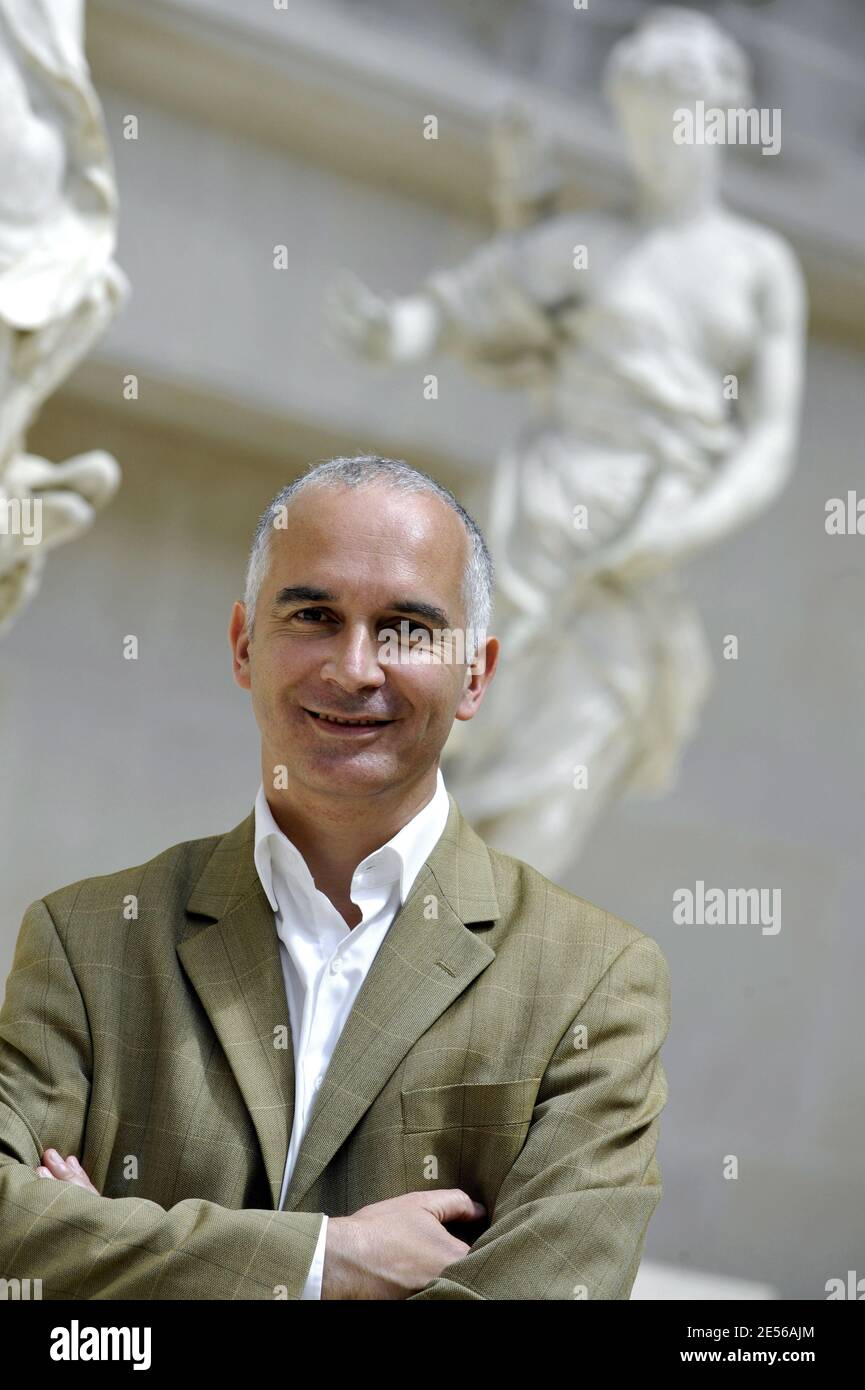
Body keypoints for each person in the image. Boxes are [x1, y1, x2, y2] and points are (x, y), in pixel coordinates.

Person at [0, 453, 670, 1299]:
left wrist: (113, 1249)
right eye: (314, 615)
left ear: (476, 675)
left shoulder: (594, 982)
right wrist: (326, 1261)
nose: (354, 668)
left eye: (406, 629)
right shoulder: (87, 939)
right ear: (245, 645)